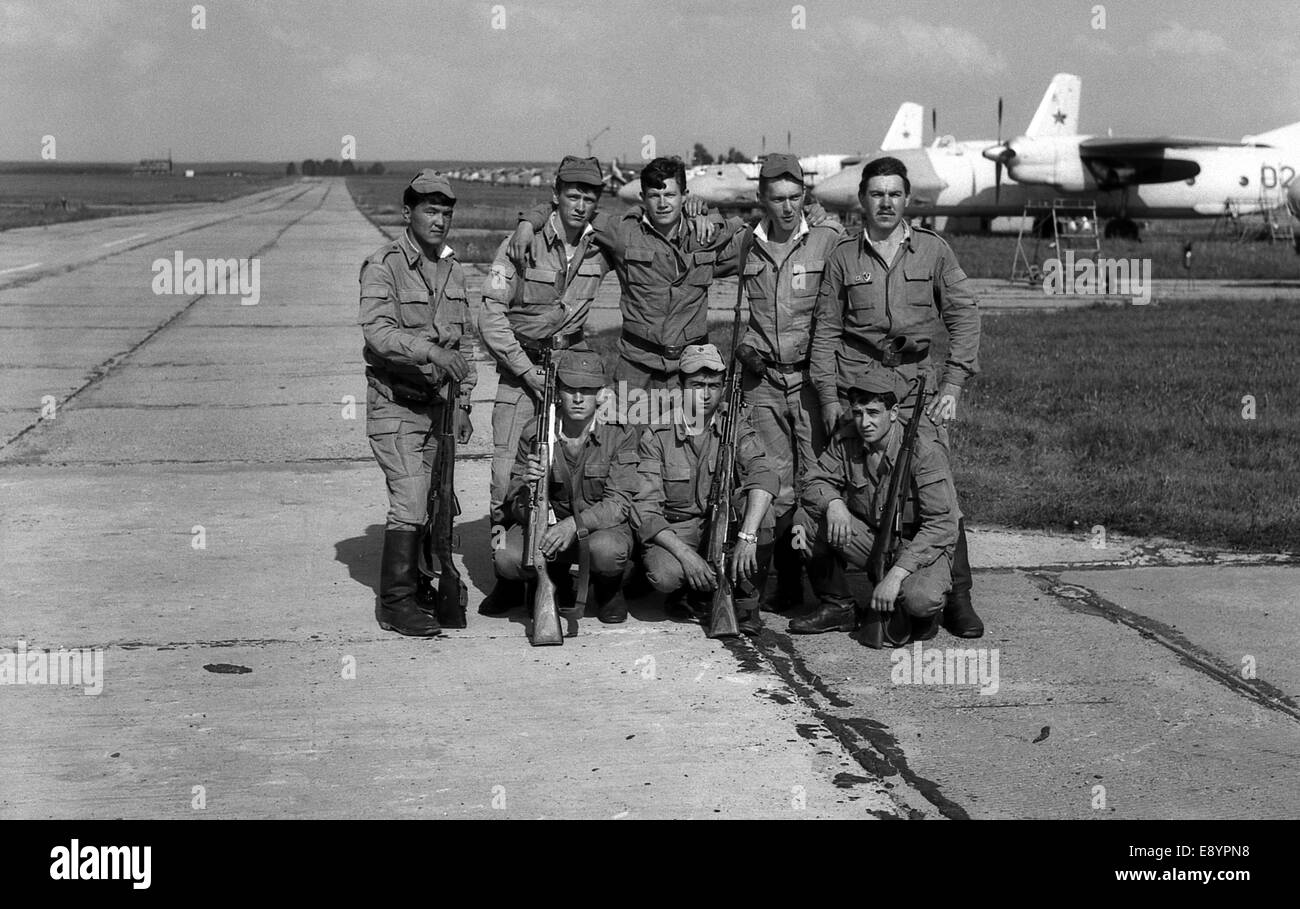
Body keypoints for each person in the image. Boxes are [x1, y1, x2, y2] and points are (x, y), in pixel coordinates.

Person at [808, 156, 984, 638]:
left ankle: (957, 597)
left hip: (914, 389)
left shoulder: (932, 250)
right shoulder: (844, 256)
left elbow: (964, 317)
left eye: (894, 194)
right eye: (876, 194)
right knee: (844, 481)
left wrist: (953, 384)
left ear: (907, 200)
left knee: (935, 480)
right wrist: (827, 396)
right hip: (860, 387)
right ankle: (841, 596)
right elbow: (825, 331)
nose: (885, 202)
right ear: (861, 200)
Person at [478, 156, 613, 613]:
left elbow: (647, 224)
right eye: (572, 195)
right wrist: (526, 371)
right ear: (555, 195)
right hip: (522, 373)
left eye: (589, 197)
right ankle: (507, 573)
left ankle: (565, 561)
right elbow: (490, 316)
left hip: (571, 374)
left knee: (570, 466)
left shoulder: (601, 246)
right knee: (506, 475)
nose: (580, 204)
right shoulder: (523, 242)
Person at [724, 153, 844, 614]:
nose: (788, 207)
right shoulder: (743, 244)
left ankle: (832, 597)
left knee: (816, 481)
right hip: (764, 382)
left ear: (806, 197)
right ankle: (769, 590)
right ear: (762, 199)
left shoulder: (828, 240)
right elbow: (689, 249)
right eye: (778, 199)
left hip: (812, 382)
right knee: (769, 483)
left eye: (797, 197)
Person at [508, 156, 741, 394]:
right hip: (636, 368)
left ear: (684, 195)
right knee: (623, 429)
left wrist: (707, 212)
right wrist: (528, 222)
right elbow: (571, 208)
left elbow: (750, 233)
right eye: (654, 195)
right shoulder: (622, 232)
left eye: (670, 195)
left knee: (690, 430)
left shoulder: (707, 233)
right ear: (643, 198)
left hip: (691, 367)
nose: (663, 203)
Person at [358, 170, 475, 637]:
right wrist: (430, 352)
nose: (440, 220)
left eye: (446, 213)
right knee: (409, 500)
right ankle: (395, 603)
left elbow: (463, 347)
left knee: (435, 501)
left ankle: (424, 584)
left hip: (439, 409)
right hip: (395, 404)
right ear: (408, 214)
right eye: (430, 210)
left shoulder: (453, 269)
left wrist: (463, 403)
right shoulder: (382, 265)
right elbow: (378, 333)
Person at [790, 369, 958, 646]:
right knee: (802, 522)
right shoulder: (847, 441)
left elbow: (942, 525)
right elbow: (811, 481)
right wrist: (833, 503)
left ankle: (917, 614)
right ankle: (838, 605)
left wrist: (896, 574)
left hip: (917, 546)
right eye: (858, 413)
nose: (864, 422)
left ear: (893, 413)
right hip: (874, 539)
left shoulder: (924, 452)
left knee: (920, 600)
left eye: (873, 412)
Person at [631, 344, 776, 636]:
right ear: (681, 387)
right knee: (665, 575)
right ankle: (685, 592)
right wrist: (687, 556)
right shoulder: (657, 433)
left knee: (765, 512)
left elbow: (764, 473)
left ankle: (744, 597)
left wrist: (747, 537)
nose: (706, 394)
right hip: (678, 527)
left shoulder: (734, 424)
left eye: (714, 386)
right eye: (697, 385)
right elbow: (644, 511)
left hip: (722, 527)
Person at [493, 350, 641, 626]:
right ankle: (550, 580)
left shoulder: (620, 433)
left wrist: (574, 525)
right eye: (570, 389)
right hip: (549, 530)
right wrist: (528, 486)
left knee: (608, 551)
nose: (577, 398)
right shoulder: (534, 433)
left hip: (597, 528)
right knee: (504, 556)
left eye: (586, 390)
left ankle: (608, 588)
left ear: (601, 394)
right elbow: (512, 502)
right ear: (558, 392)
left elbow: (619, 504)